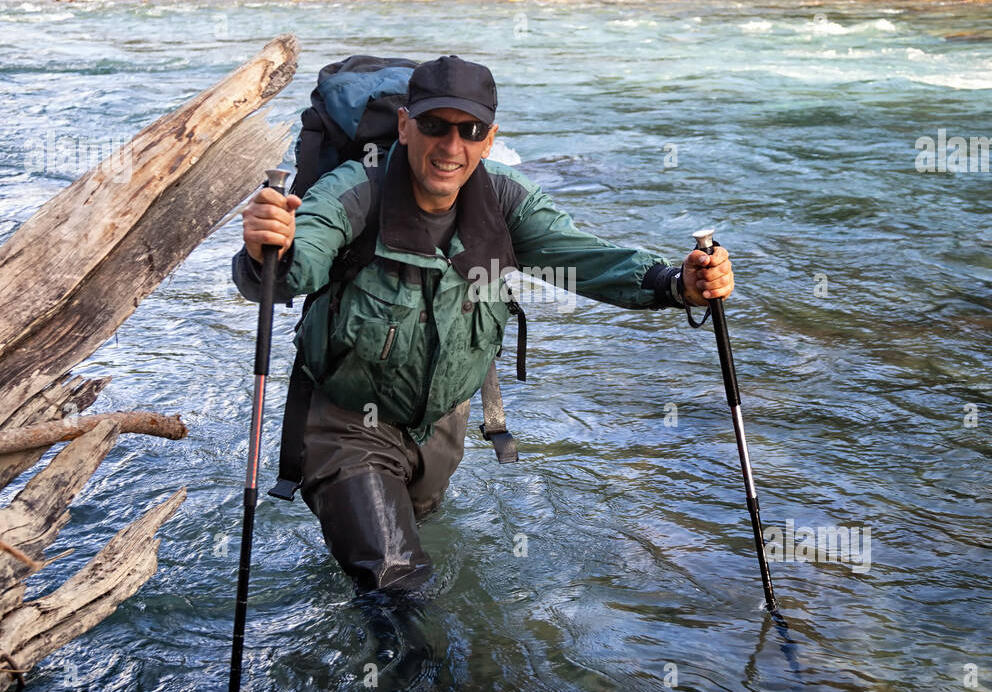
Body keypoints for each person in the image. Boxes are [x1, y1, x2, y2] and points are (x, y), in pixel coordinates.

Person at [234, 55, 733, 594]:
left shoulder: (505, 199)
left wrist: (677, 283)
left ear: (489, 138)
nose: (451, 147)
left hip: (440, 429)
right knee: (397, 582)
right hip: (347, 423)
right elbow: (294, 264)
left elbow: (586, 260)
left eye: (469, 130)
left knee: (399, 557)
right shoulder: (354, 191)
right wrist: (270, 247)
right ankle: (427, 671)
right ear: (404, 125)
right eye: (433, 126)